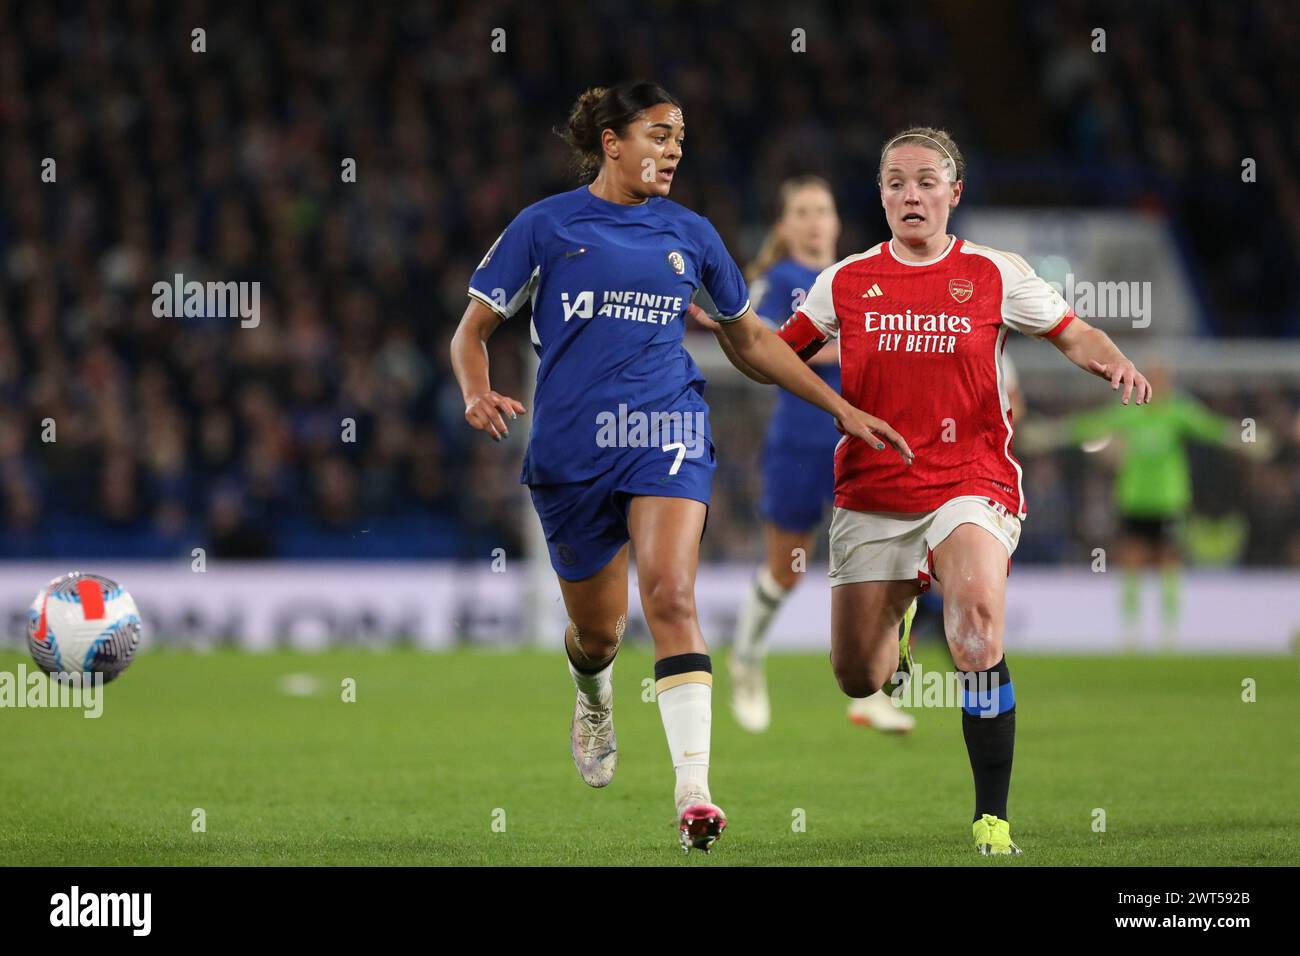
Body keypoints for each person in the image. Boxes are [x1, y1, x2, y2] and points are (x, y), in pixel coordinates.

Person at [450, 81, 912, 853]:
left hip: (667, 430)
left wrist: (842, 408)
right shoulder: (545, 225)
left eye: (679, 140)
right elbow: (472, 330)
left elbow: (755, 341)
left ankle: (694, 790)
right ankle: (594, 692)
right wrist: (475, 391)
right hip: (570, 450)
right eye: (658, 135)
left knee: (669, 592)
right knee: (597, 633)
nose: (671, 151)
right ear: (611, 141)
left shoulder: (691, 234)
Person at [699, 126, 1150, 855]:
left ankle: (991, 815)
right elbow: (775, 358)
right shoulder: (843, 281)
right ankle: (902, 618)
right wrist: (730, 333)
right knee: (857, 676)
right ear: (880, 197)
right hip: (874, 490)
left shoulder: (995, 274)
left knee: (975, 628)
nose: (912, 193)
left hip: (971, 478)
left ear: (954, 193)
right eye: (897, 182)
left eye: (926, 180)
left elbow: (1072, 333)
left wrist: (1116, 361)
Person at [728, 175, 915, 734]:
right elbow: (761, 347)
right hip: (801, 442)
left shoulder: (863, 277)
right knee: (786, 570)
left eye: (823, 210)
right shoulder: (777, 280)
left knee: (887, 565)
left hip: (865, 441)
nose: (814, 221)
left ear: (837, 222)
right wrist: (849, 346)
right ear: (784, 227)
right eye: (802, 212)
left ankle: (873, 691)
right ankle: (746, 661)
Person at [1022, 362, 1271, 650]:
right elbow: (1090, 424)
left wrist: (1246, 439)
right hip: (1134, 499)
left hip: (1168, 500)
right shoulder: (1131, 410)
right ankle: (1131, 632)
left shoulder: (1179, 410)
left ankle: (1169, 632)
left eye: (1161, 379)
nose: (1157, 384)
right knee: (1131, 562)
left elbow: (1212, 429)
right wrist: (1051, 434)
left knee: (1168, 564)